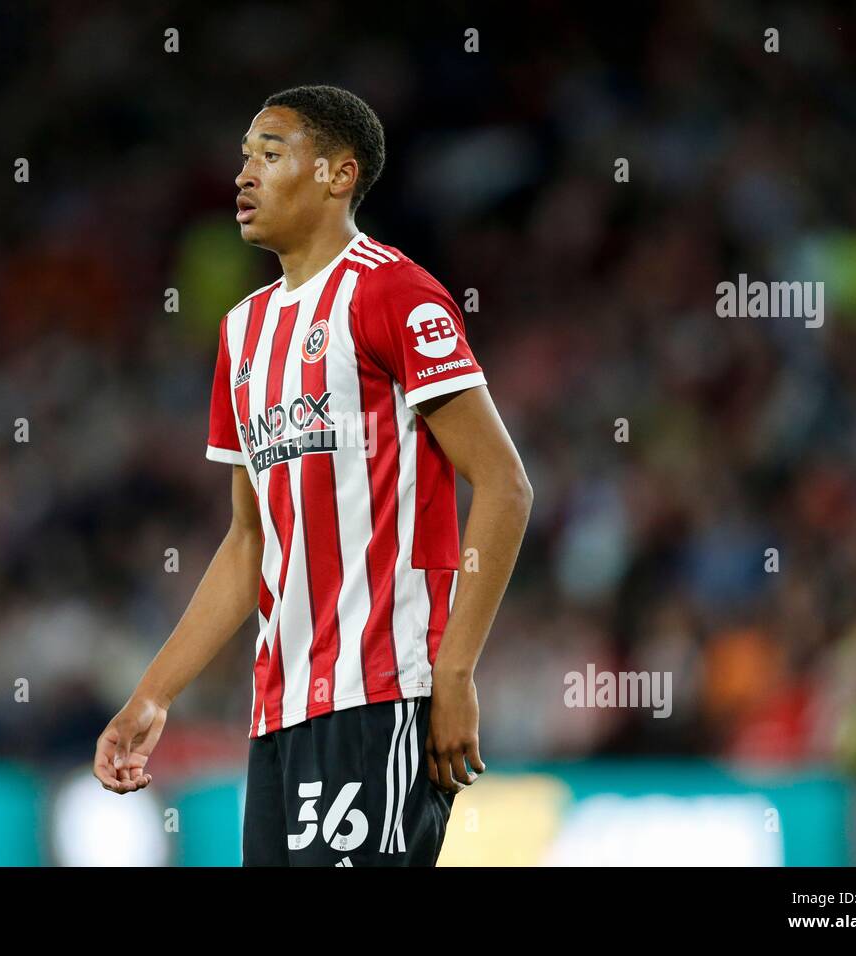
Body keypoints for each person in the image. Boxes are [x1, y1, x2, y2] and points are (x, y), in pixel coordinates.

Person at [94, 85, 532, 866]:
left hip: (383, 693)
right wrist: (152, 694)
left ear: (337, 175)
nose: (244, 174)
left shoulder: (393, 292)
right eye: (243, 157)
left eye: (270, 153)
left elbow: (504, 484)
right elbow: (246, 542)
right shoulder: (243, 331)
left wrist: (455, 670)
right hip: (279, 710)